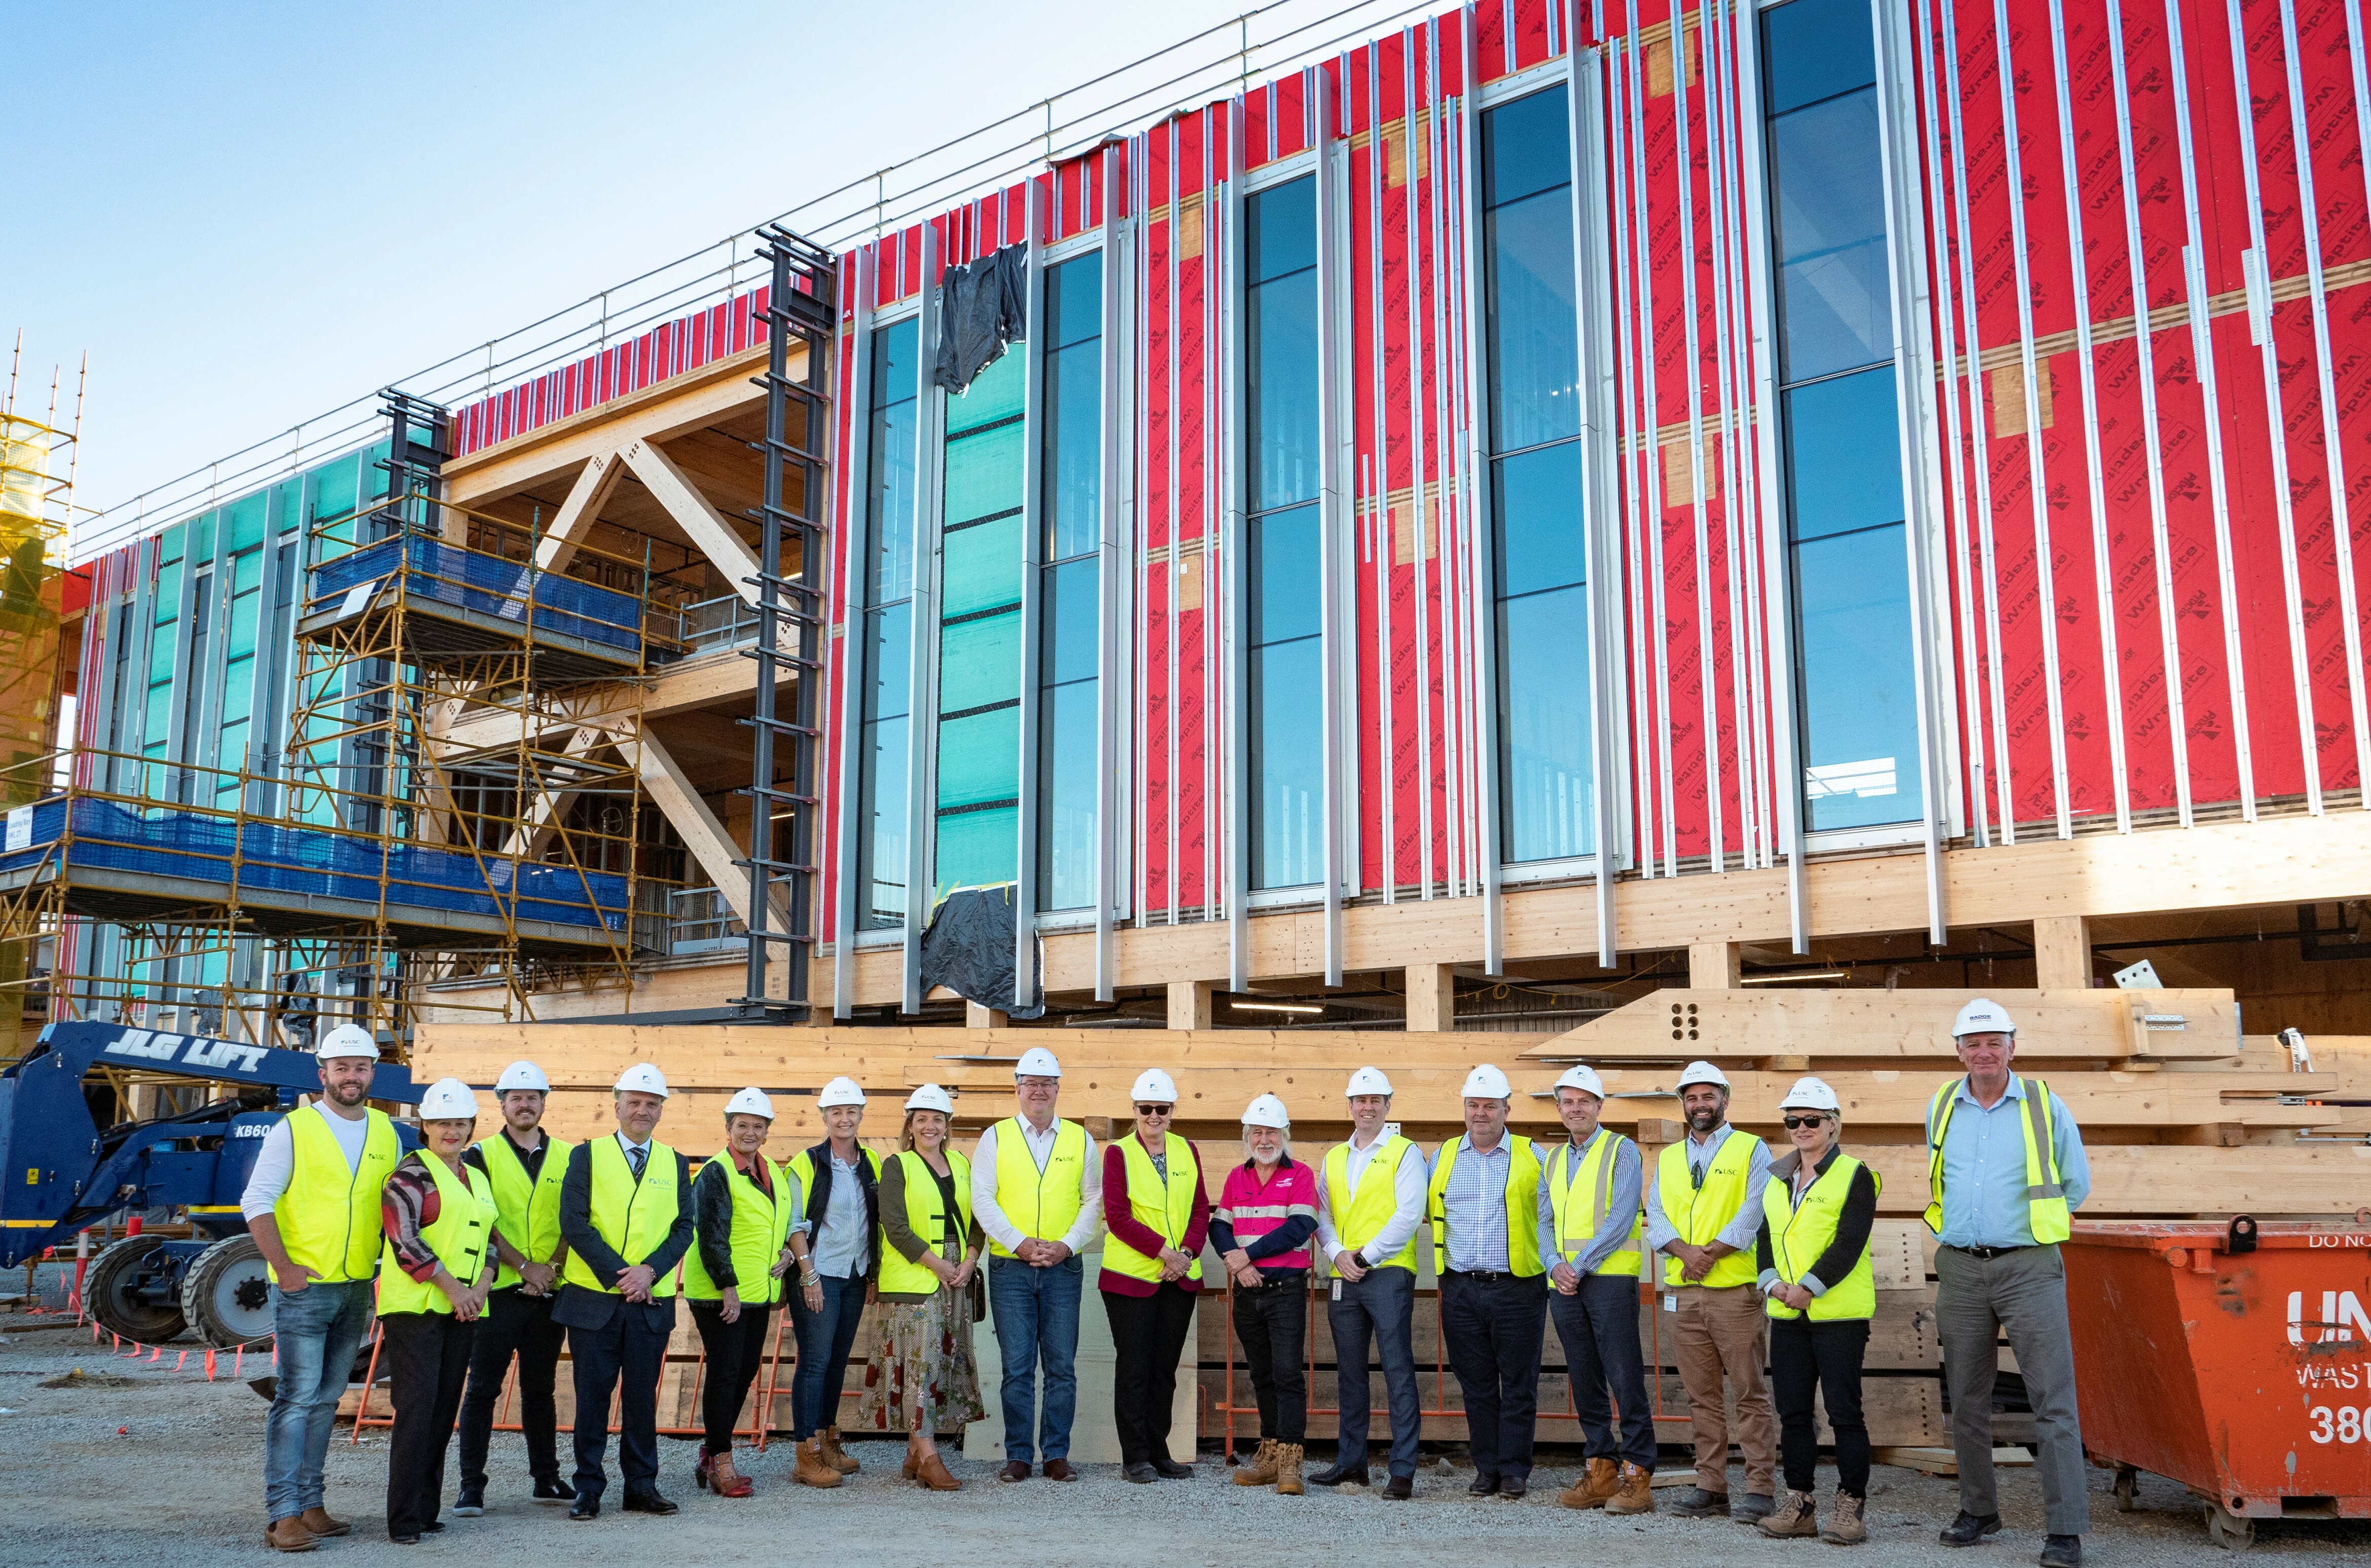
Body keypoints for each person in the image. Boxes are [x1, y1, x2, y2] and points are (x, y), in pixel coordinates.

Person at [1928, 1000, 2092, 1568]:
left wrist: (2023, 1232)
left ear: (2012, 1047)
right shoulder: (1942, 1106)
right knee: (1966, 1397)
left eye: (1994, 1041)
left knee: (2052, 1399)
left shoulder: (2045, 1105)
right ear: (1958, 1051)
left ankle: (2065, 1529)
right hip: (1959, 1267)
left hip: (2028, 1267)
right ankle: (1978, 1510)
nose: (1983, 1052)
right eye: (1972, 1043)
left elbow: (2075, 1185)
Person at [241, 1023, 402, 1554]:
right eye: (342, 1068)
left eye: (360, 1068)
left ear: (371, 1074)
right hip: (304, 1288)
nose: (351, 1076)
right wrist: (285, 1268)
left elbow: (394, 1205)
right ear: (323, 1073)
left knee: (328, 1398)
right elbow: (257, 1202)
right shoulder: (295, 1128)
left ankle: (311, 1506)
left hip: (356, 1284)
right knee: (295, 1398)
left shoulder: (385, 1131)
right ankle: (282, 1514)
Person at [553, 1062, 695, 1520]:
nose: (642, 1110)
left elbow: (683, 1227)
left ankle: (641, 1486)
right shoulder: (587, 1155)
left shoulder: (674, 1162)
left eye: (651, 1103)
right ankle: (588, 1487)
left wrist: (649, 1272)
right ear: (617, 1105)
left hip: (648, 1302)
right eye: (634, 1102)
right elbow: (575, 1223)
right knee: (592, 1398)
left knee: (640, 1399)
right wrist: (623, 1274)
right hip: (594, 1301)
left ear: (661, 1111)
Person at [1644, 1059, 1777, 1521]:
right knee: (1701, 1395)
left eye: (1708, 1096)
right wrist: (1685, 1253)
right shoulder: (1670, 1157)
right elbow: (1656, 1214)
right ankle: (1711, 1485)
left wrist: (1711, 1252)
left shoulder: (1750, 1148)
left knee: (1749, 1392)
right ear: (1683, 1103)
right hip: (1685, 1289)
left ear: (1725, 1098)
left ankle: (1760, 1487)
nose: (1700, 1104)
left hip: (1734, 1292)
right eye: (1692, 1097)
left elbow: (1755, 1208)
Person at [376, 1078, 506, 1545]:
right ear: (425, 1126)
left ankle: (427, 1509)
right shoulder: (409, 1176)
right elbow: (404, 1241)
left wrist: (484, 1285)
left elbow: (490, 1236)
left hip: (464, 1307)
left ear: (472, 1126)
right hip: (417, 1309)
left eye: (460, 1122)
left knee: (443, 1407)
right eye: (442, 1123)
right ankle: (404, 1518)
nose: (452, 1130)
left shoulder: (474, 1175)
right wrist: (456, 1290)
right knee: (417, 1408)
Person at [1754, 1076, 1881, 1546]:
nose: (1801, 1127)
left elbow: (1849, 1241)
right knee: (1792, 1414)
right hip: (1787, 1314)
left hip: (1838, 1315)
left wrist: (1808, 1287)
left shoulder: (1855, 1174)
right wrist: (1771, 1282)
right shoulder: (1776, 1176)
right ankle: (1800, 1503)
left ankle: (1850, 1507)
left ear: (1833, 1124)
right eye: (1793, 1120)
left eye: (1812, 1119)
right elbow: (1765, 1236)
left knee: (1845, 1413)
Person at [973, 1044, 1102, 1482]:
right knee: (1018, 1368)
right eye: (1031, 1083)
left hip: (1064, 1268)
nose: (1039, 1091)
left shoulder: (1080, 1138)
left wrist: (1065, 1244)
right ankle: (1018, 1455)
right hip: (1012, 1268)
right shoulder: (996, 1136)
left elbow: (1093, 1201)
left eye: (1047, 1083)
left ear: (1058, 1088)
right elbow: (982, 1200)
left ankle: (1056, 1455)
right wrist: (1021, 1244)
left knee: (1062, 1366)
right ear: (1018, 1088)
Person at [1426, 1064, 1552, 1499]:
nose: (1481, 1113)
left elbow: (1553, 1212)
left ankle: (1514, 1470)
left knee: (1518, 1382)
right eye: (1474, 1105)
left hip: (1518, 1285)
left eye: (1490, 1106)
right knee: (1476, 1383)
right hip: (1460, 1286)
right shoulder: (1442, 1155)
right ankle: (1488, 1468)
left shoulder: (1532, 1154)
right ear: (1464, 1107)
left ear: (1506, 1109)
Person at [454, 1059, 572, 1516]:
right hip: (498, 1291)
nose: (525, 1104)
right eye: (516, 1097)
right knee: (483, 1388)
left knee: (540, 1389)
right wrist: (525, 1267)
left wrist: (551, 1267)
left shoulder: (568, 1155)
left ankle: (546, 1477)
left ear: (544, 1102)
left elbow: (576, 1219)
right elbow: (479, 1221)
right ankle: (472, 1486)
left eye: (533, 1097)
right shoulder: (478, 1156)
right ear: (502, 1103)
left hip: (550, 1290)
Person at [856, 1084, 986, 1490]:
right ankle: (928, 1454)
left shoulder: (962, 1164)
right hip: (917, 1283)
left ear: (948, 1125)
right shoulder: (898, 1165)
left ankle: (916, 1452)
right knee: (920, 1368)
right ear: (910, 1124)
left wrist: (968, 1260)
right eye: (922, 1119)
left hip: (955, 1279)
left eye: (937, 1119)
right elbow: (894, 1227)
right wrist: (940, 1265)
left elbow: (979, 1218)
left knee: (941, 1364)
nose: (930, 1126)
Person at [1311, 1064, 1428, 1500]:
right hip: (1345, 1272)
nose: (1367, 1106)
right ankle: (1351, 1462)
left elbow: (1409, 1213)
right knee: (1350, 1373)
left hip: (1388, 1272)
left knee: (1397, 1370)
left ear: (1387, 1106)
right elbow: (1322, 1213)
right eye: (1360, 1100)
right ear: (1350, 1106)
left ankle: (1402, 1470)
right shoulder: (1334, 1157)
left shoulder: (1404, 1151)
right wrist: (1336, 1253)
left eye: (1375, 1100)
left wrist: (1363, 1255)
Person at [1543, 1064, 1655, 1515]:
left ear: (1599, 1106)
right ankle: (1601, 1468)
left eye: (1583, 1101)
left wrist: (1578, 1266)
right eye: (1567, 1102)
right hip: (1566, 1282)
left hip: (1607, 1278)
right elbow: (1544, 1220)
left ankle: (1638, 1472)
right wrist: (1554, 1265)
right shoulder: (1551, 1159)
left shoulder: (1622, 1150)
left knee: (1624, 1375)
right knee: (1584, 1375)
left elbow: (1623, 1215)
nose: (1576, 1109)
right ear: (1559, 1108)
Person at [682, 1087, 796, 1499]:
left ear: (767, 1132)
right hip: (721, 1293)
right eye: (742, 1125)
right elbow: (710, 1233)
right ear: (728, 1127)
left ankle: (713, 1451)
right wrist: (727, 1286)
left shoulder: (772, 1174)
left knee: (744, 1372)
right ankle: (722, 1463)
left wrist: (785, 1252)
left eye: (758, 1126)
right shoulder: (717, 1171)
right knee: (726, 1372)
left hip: (757, 1292)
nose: (750, 1132)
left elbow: (779, 1225)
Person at [1099, 1068, 1211, 1484]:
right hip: (1131, 1279)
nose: (1153, 1116)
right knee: (1134, 1367)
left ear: (1171, 1111)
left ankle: (1159, 1449)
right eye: (1145, 1109)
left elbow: (1200, 1210)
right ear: (1134, 1110)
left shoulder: (1187, 1150)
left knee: (1164, 1367)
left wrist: (1184, 1254)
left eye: (1161, 1109)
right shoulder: (1119, 1153)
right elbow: (1117, 1216)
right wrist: (1164, 1251)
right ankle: (1135, 1456)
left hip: (1178, 1277)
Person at [1208, 1092, 1317, 1496]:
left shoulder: (1301, 1174)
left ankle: (1291, 1459)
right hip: (1248, 1291)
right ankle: (1269, 1454)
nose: (1264, 1139)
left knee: (1288, 1374)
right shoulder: (1238, 1176)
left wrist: (1247, 1255)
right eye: (1257, 1131)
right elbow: (1219, 1227)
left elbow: (1299, 1227)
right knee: (1262, 1374)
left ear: (1285, 1134)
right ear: (1248, 1136)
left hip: (1284, 1290)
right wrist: (1240, 1264)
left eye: (1272, 1131)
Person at [782, 1076, 883, 1487]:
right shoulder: (805, 1163)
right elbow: (794, 1222)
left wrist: (873, 1273)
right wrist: (808, 1273)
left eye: (851, 1111)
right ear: (824, 1115)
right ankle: (806, 1453)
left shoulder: (872, 1161)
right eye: (837, 1112)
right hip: (818, 1276)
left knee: (837, 1363)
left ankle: (826, 1443)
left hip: (855, 1276)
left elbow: (874, 1223)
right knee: (815, 1362)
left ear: (861, 1114)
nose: (845, 1118)